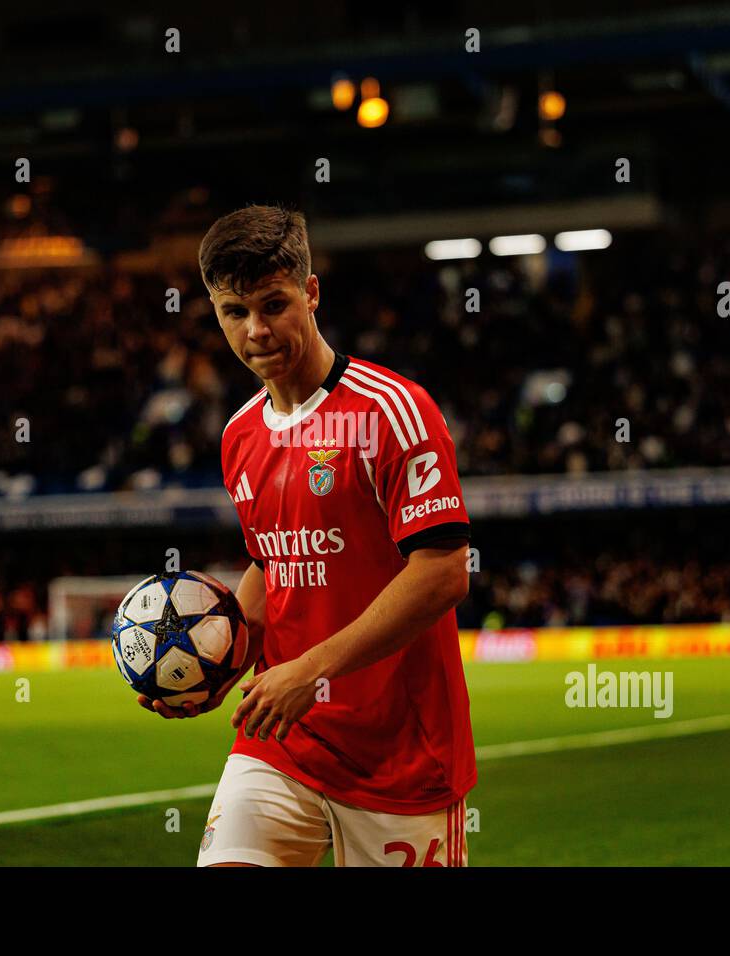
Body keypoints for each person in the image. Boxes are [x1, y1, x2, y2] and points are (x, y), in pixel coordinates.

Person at [138, 204, 475, 866]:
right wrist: (214, 662)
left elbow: (443, 571)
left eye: (274, 304)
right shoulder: (240, 435)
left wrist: (310, 670)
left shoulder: (393, 412)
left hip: (402, 755)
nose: (256, 330)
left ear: (312, 292)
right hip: (284, 738)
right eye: (235, 312)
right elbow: (274, 564)